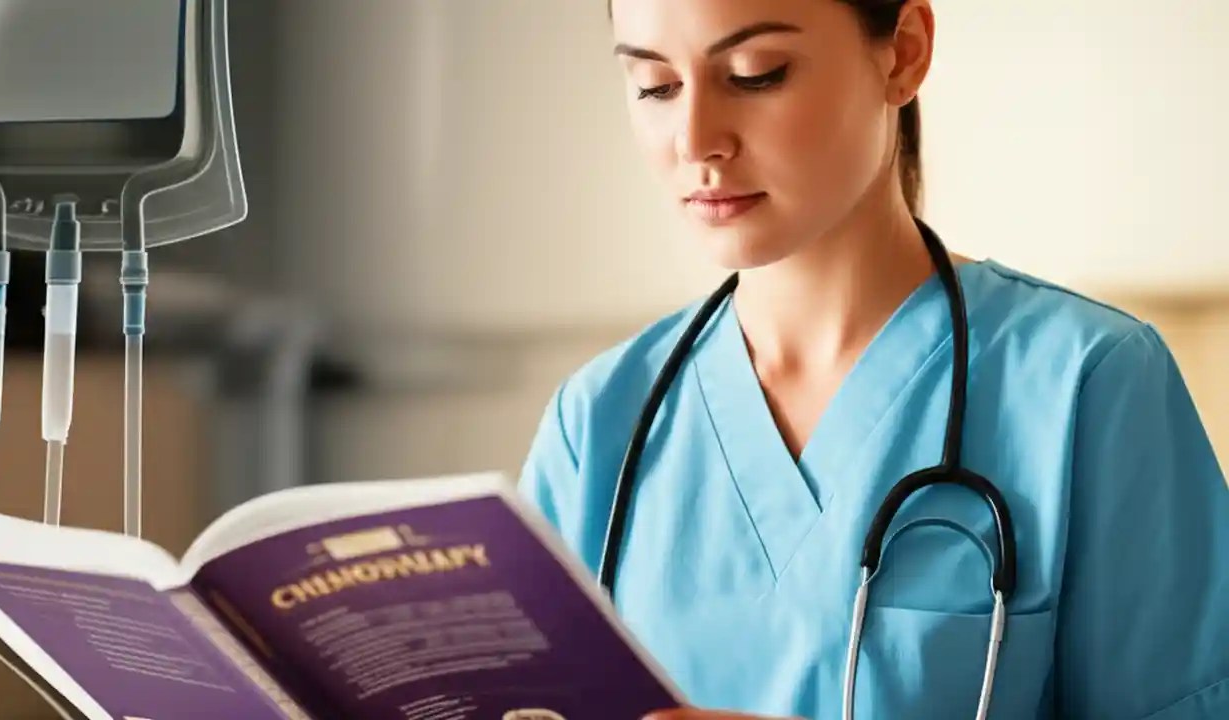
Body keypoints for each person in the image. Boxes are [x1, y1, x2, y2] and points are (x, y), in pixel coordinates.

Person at [517, 0, 1229, 718]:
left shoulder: (1089, 382)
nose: (696, 140)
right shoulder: (598, 423)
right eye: (656, 87)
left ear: (904, 52)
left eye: (757, 74)